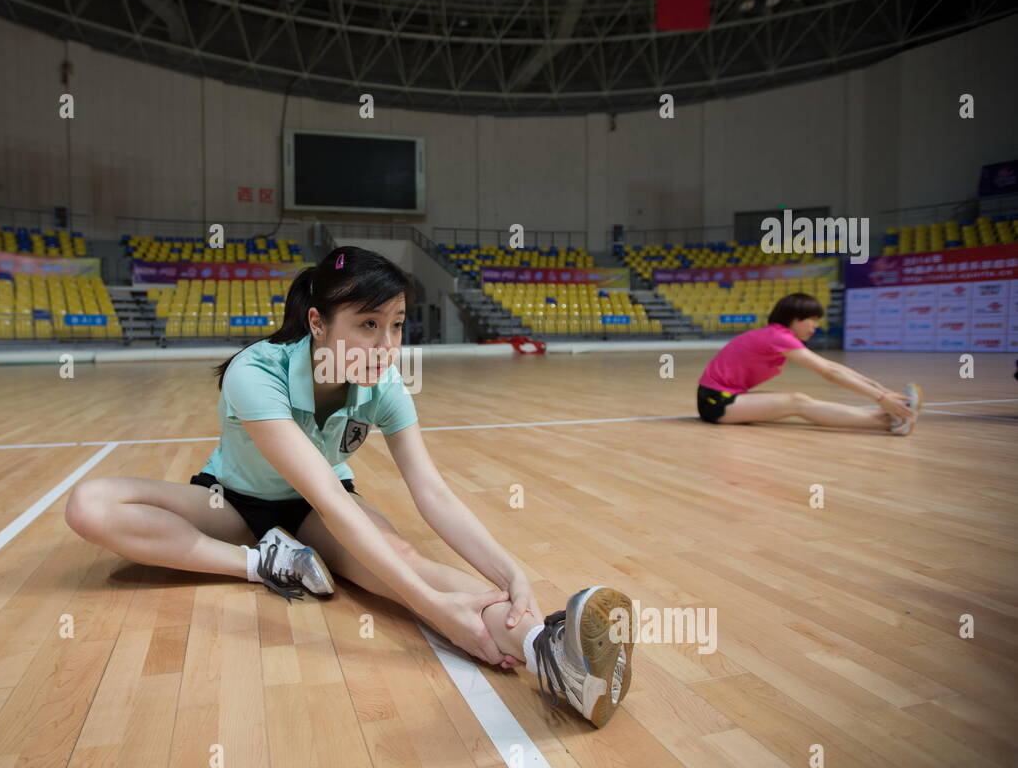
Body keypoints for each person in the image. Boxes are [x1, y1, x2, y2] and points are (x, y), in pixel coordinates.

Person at [65, 245, 634, 727]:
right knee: (90, 505)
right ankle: (262, 564)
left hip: (317, 508)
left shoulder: (385, 385)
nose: (387, 345)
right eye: (367, 324)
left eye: (396, 324)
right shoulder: (255, 371)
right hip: (233, 502)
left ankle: (550, 657)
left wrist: (511, 572)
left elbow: (430, 493)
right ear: (317, 323)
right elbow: (334, 499)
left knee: (406, 556)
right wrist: (432, 609)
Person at [696, 292, 923, 433]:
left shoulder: (776, 335)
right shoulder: (778, 337)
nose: (815, 326)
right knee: (797, 402)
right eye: (811, 320)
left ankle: (892, 417)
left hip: (727, 397)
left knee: (799, 400)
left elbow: (835, 367)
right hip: (716, 403)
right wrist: (881, 399)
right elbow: (830, 373)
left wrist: (881, 390)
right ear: (794, 319)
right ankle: (890, 422)